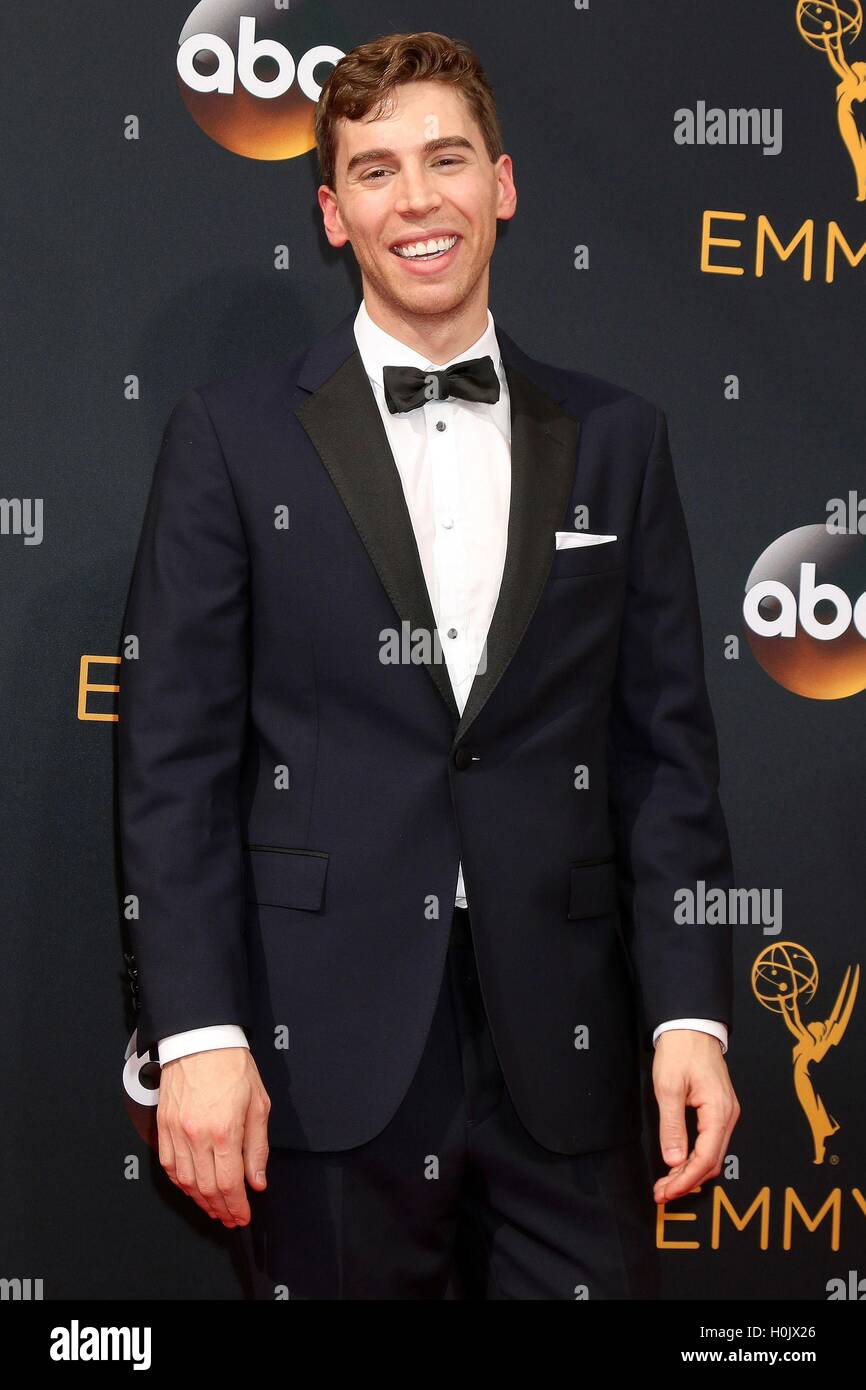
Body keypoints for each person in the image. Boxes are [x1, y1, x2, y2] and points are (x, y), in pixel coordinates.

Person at [118, 29, 740, 1299]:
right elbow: (169, 763)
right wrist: (195, 1029)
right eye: (377, 169)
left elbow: (662, 758)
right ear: (332, 212)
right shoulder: (230, 439)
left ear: (501, 186)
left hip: (565, 1056)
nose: (418, 199)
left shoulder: (617, 438)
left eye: (446, 159)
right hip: (317, 1051)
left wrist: (689, 1012)